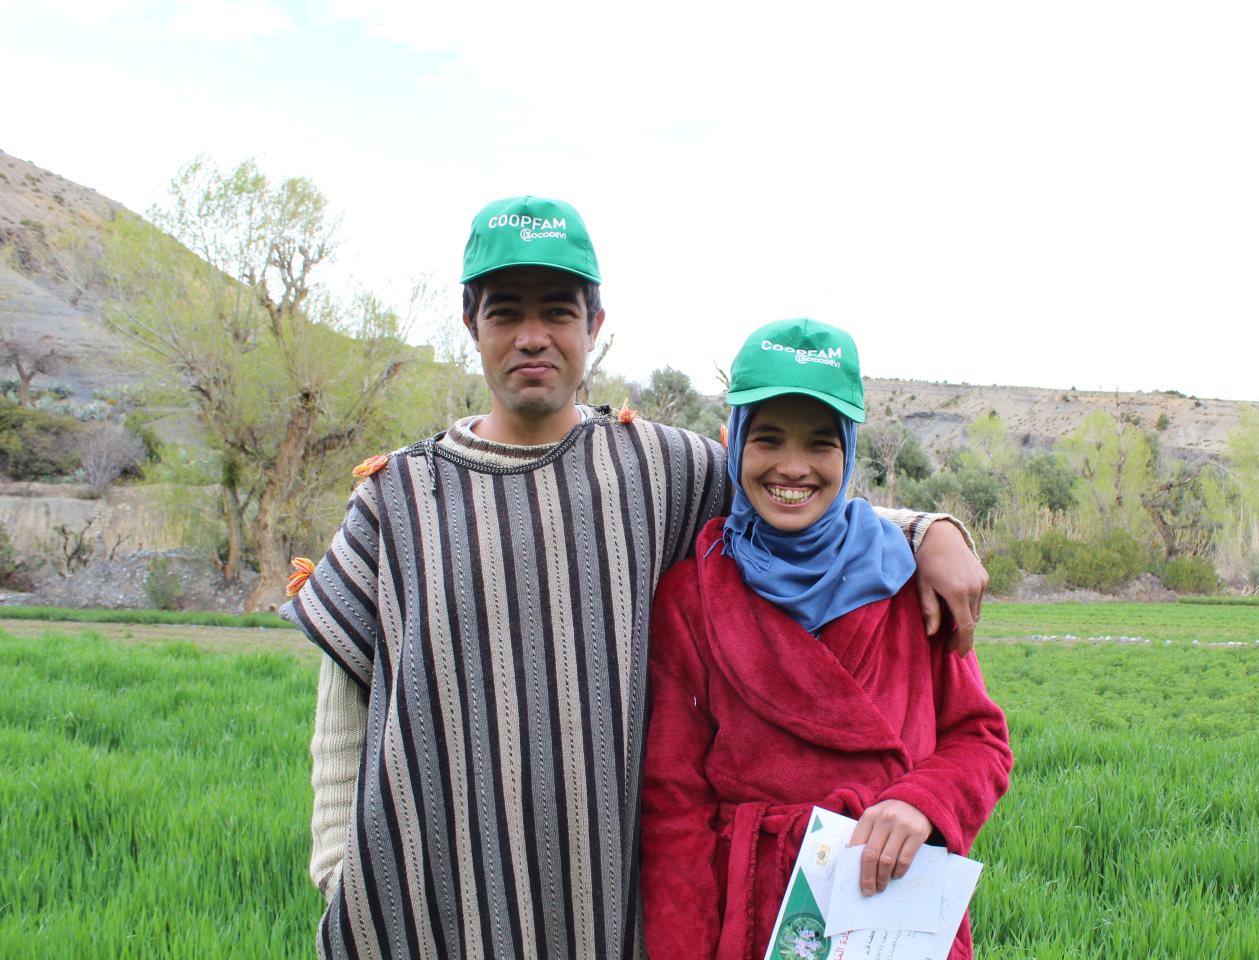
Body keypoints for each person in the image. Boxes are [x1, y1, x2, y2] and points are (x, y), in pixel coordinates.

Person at [283, 198, 991, 959]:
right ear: (469, 322)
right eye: (505, 312)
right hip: (442, 887)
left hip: (604, 895)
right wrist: (338, 869)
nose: (532, 336)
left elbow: (793, 500)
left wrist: (927, 531)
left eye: (559, 311)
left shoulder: (659, 468)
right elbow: (345, 704)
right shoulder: (397, 499)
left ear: (594, 324)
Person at [641, 319, 1012, 960]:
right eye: (768, 438)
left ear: (849, 452)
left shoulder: (908, 577)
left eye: (820, 443)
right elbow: (675, 808)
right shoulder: (692, 596)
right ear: (734, 443)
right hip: (750, 920)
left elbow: (980, 739)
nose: (793, 467)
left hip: (892, 910)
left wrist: (923, 802)